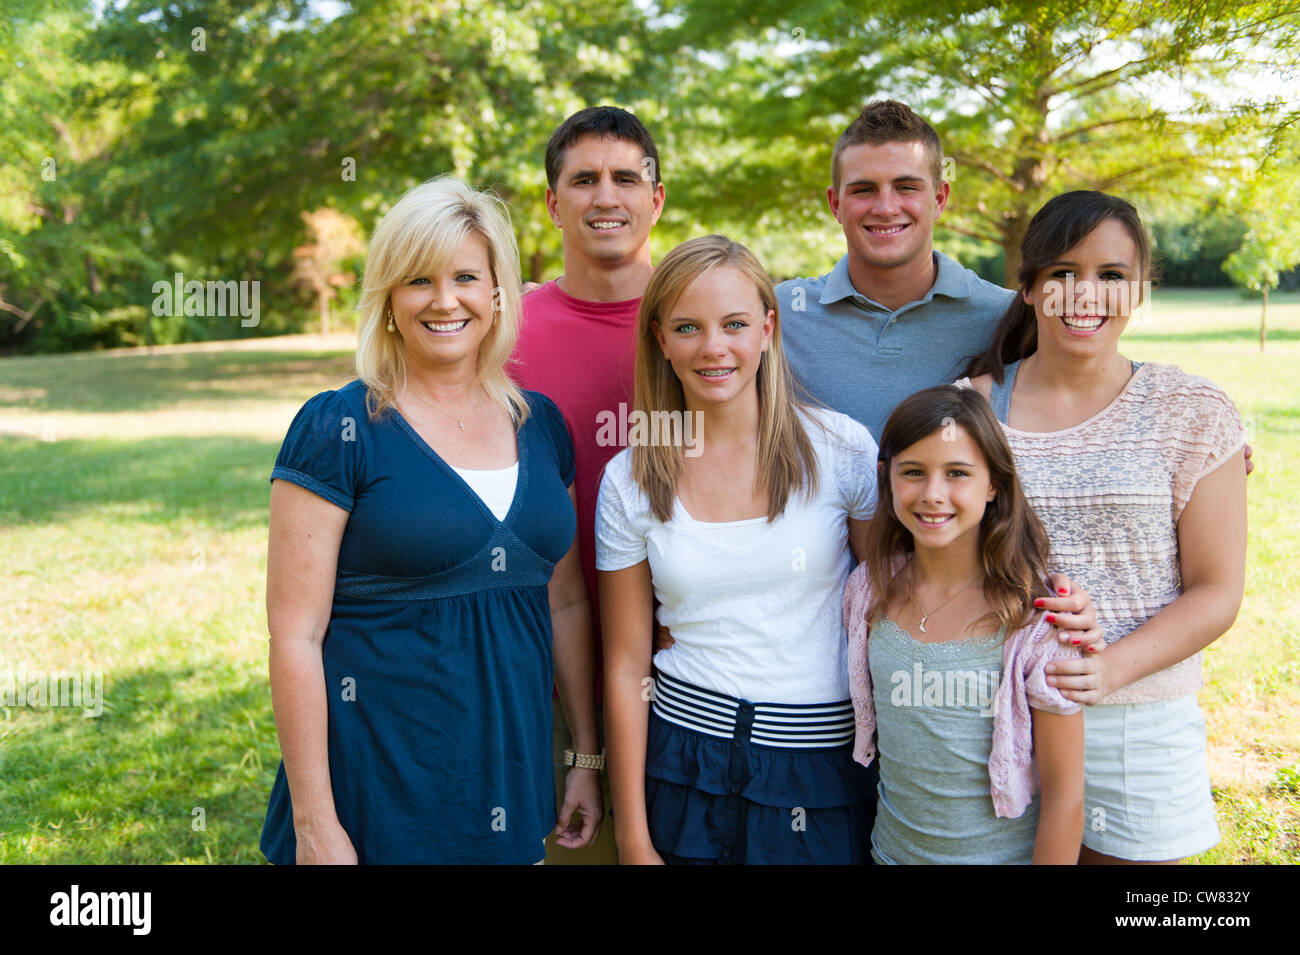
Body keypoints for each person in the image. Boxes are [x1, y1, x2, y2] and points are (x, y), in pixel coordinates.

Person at [259, 176, 601, 864]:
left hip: (508, 791)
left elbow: (564, 602)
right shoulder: (339, 427)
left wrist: (585, 757)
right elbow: (295, 635)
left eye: (466, 277)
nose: (445, 300)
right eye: (419, 280)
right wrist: (316, 823)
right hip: (376, 799)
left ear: (497, 291)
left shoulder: (541, 427)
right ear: (389, 298)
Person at [959, 190, 1248, 863]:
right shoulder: (971, 408)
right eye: (1063, 272)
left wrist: (1108, 669)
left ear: (1139, 289)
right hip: (994, 718)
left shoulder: (1192, 411)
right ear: (1029, 288)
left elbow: (1217, 590)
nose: (1085, 293)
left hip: (1135, 727)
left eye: (1112, 274)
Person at [777, 99, 1103, 646]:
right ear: (835, 203)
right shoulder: (782, 315)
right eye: (863, 189)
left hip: (971, 618)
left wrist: (1188, 430)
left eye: (906, 186)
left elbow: (1091, 375)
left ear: (940, 197)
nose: (885, 207)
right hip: (818, 617)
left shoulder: (1005, 316)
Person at [598, 235, 880, 865]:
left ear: (768, 329)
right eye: (687, 328)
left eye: (734, 324)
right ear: (660, 340)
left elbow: (891, 603)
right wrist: (632, 837)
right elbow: (625, 665)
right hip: (682, 766)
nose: (713, 347)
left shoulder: (843, 451)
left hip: (820, 768)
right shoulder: (630, 479)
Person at [509, 106, 665, 864]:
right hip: (544, 675)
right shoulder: (501, 329)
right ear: (552, 202)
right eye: (584, 180)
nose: (607, 196)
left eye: (626, 178)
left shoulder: (703, 319)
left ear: (656, 200)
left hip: (691, 671)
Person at [843, 385, 1084, 864]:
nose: (933, 495)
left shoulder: (1036, 619)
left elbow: (1066, 797)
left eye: (957, 473)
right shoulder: (868, 588)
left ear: (993, 484)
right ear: (887, 477)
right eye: (913, 472)